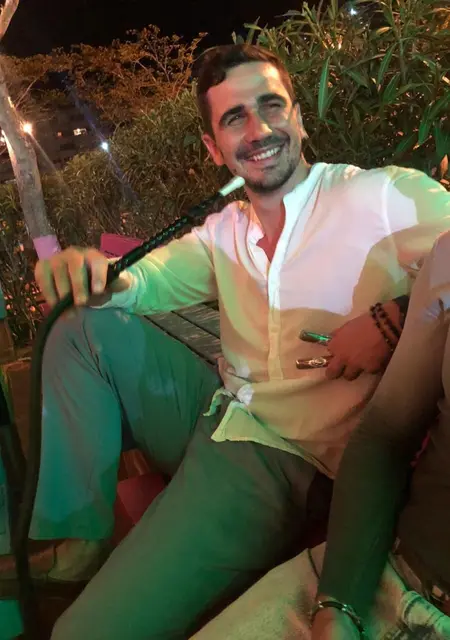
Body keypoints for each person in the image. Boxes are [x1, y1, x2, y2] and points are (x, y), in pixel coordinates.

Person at [0, 44, 449, 640]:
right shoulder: (227, 229)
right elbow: (146, 280)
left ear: (299, 118)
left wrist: (398, 317)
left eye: (272, 106)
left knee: (81, 635)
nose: (259, 129)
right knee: (84, 327)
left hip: (281, 456)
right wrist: (98, 276)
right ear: (214, 149)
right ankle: (81, 540)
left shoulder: (380, 197)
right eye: (235, 117)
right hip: (217, 406)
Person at [191, 229, 450, 640]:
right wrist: (337, 605)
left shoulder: (404, 206)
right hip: (388, 577)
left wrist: (397, 313)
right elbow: (387, 432)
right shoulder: (228, 230)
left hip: (293, 466)